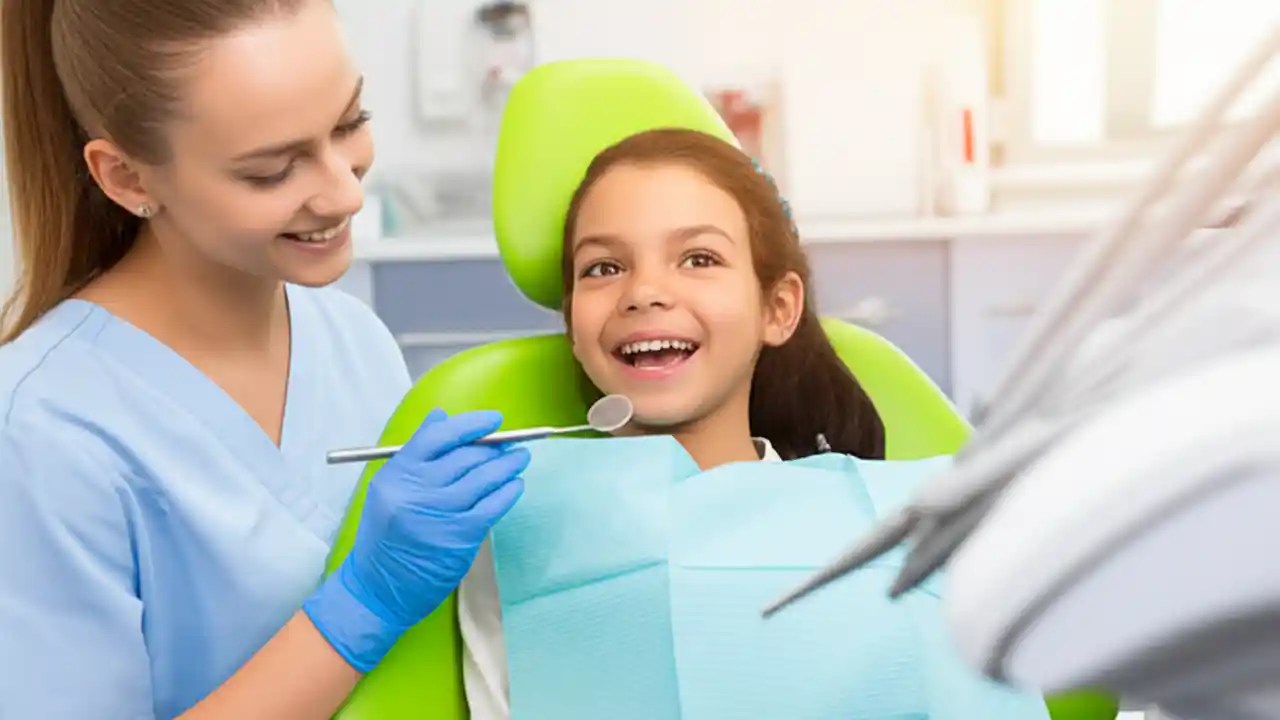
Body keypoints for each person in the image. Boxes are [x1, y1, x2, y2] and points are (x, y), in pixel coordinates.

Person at [0, 1, 528, 718]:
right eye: (272, 171)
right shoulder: (42, 431)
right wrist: (359, 607)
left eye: (349, 123)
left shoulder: (356, 339)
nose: (345, 191)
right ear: (127, 178)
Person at [457, 127, 887, 718]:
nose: (644, 292)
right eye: (604, 268)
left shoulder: (868, 536)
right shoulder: (518, 544)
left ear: (777, 308)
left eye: (699, 258)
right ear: (572, 324)